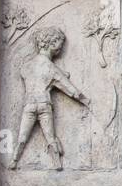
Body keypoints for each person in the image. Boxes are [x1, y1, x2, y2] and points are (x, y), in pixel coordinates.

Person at [10, 26, 90, 170]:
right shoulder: (51, 68)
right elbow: (71, 90)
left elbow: (30, 75)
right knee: (50, 136)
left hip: (28, 105)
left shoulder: (26, 66)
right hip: (44, 106)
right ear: (52, 44)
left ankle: (14, 160)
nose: (61, 48)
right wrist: (86, 101)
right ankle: (57, 163)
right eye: (60, 43)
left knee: (22, 136)